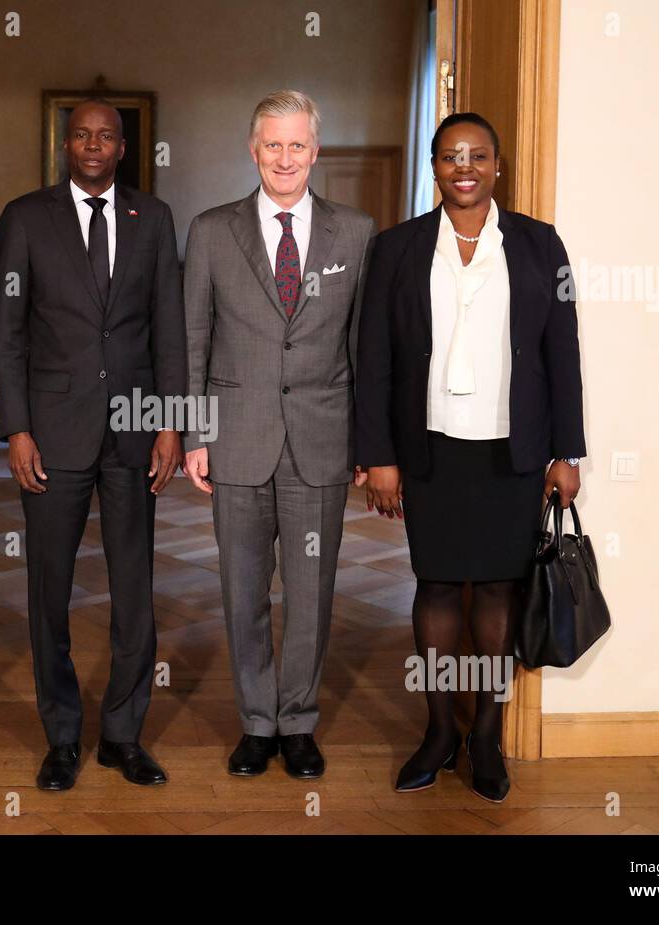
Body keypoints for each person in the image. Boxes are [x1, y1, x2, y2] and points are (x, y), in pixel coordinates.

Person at [354, 112, 585, 802]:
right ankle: (437, 731)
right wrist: (378, 454)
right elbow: (373, 357)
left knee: (497, 592)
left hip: (514, 452)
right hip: (429, 447)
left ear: (497, 166)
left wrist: (567, 452)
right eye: (451, 155)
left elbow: (562, 356)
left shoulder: (542, 247)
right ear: (435, 167)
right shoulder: (396, 248)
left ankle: (485, 733)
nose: (465, 166)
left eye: (478, 155)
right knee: (434, 586)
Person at [0, 99, 187, 790]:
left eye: (106, 135)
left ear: (123, 145)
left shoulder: (153, 219)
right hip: (51, 434)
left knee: (134, 590)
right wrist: (13, 428)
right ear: (65, 141)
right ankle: (63, 737)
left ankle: (124, 736)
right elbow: (8, 334)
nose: (94, 145)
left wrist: (172, 422)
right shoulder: (26, 217)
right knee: (49, 590)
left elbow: (170, 328)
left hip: (136, 432)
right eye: (82, 134)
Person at [182, 90, 376, 779]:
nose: (285, 157)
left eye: (298, 145)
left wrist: (366, 441)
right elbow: (194, 338)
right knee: (242, 587)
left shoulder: (355, 232)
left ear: (315, 151)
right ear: (253, 149)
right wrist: (194, 434)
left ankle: (298, 720)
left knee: (312, 588)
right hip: (236, 435)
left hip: (322, 438)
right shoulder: (211, 230)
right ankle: (256, 722)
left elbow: (363, 346)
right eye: (273, 144)